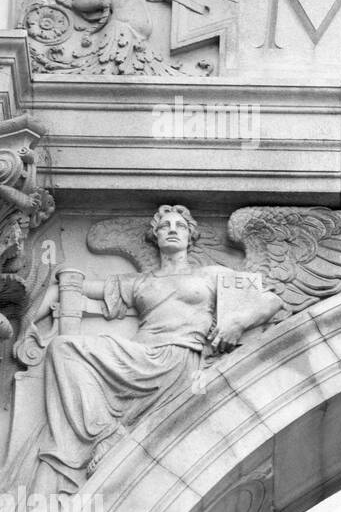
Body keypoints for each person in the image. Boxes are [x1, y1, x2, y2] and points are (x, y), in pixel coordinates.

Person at [30, 204, 281, 495]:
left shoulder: (212, 275)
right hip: (138, 356)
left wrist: (237, 322)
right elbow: (70, 286)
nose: (172, 230)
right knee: (63, 348)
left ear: (191, 237)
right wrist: (29, 322)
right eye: (165, 226)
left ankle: (109, 436)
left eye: (180, 226)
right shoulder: (140, 282)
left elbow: (270, 301)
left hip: (181, 358)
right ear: (155, 236)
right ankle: (106, 433)